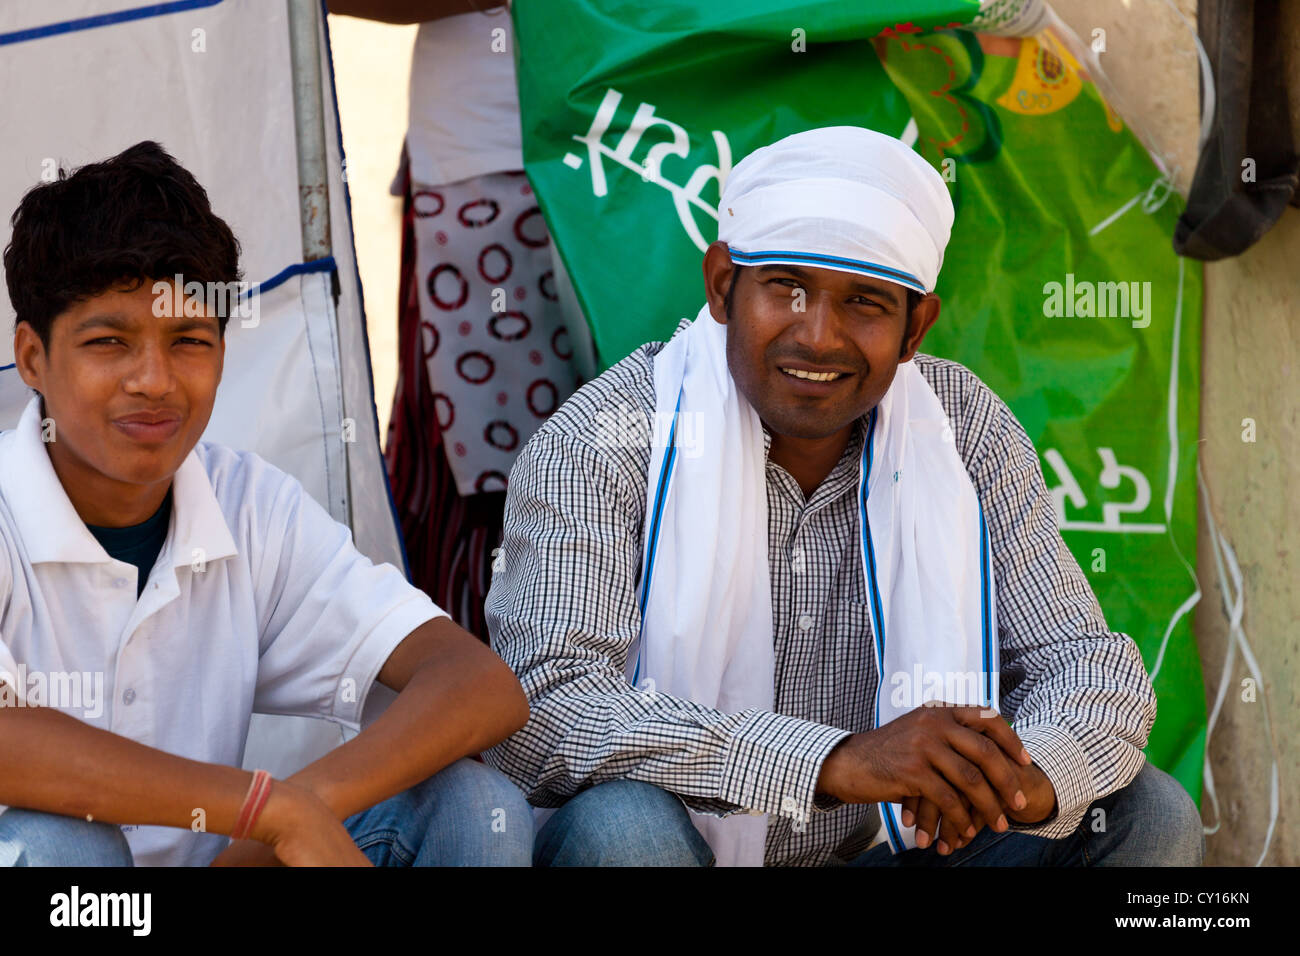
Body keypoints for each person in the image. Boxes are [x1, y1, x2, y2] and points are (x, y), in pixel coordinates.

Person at [483, 126, 1205, 867]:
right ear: (724, 285)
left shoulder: (962, 428)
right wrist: (834, 762)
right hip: (679, 852)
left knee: (1145, 814)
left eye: (864, 303)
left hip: (879, 855)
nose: (819, 337)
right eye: (786, 289)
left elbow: (1082, 662)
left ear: (915, 326)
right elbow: (546, 709)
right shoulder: (606, 439)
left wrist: (1015, 781)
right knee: (621, 831)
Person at [0, 141, 533, 867]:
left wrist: (292, 814)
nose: (154, 379)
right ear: (32, 357)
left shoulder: (248, 504)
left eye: (189, 339)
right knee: (57, 845)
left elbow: (478, 686)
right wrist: (264, 806)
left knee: (476, 805)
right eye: (109, 341)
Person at [328, 0, 581, 637]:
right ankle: (492, 698)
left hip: (648, 151)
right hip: (497, 179)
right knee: (512, 483)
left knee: (649, 458)